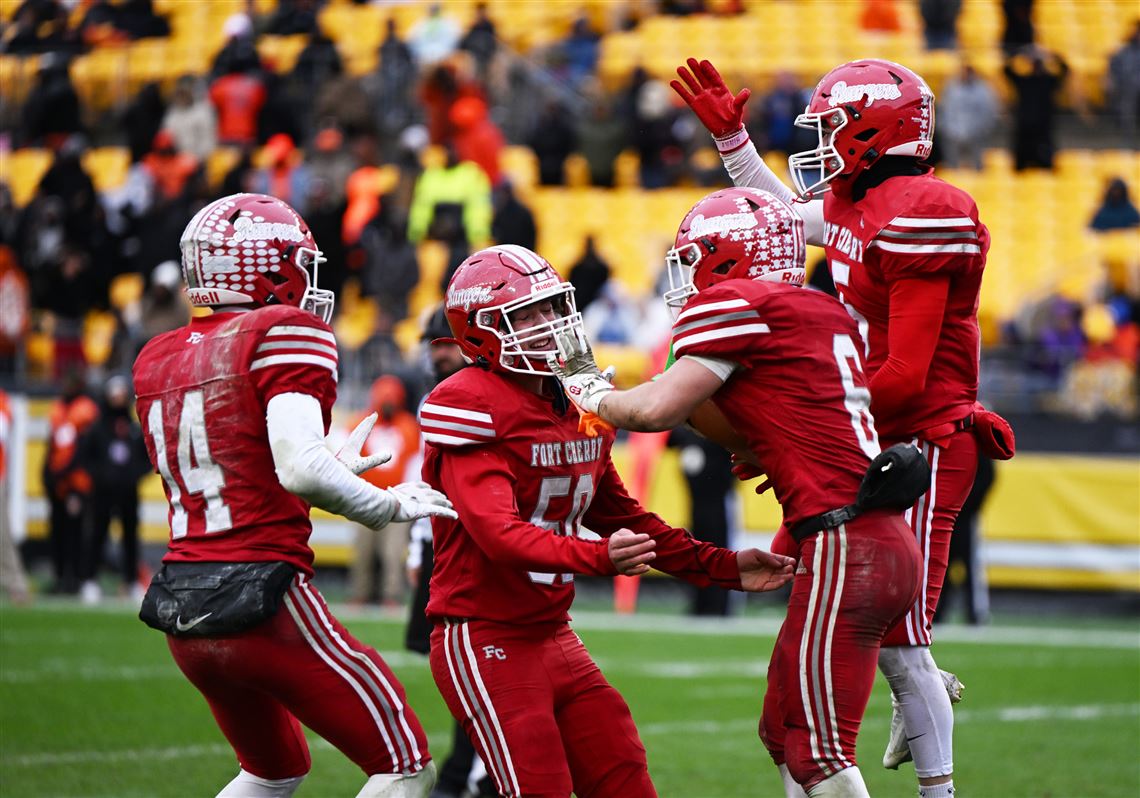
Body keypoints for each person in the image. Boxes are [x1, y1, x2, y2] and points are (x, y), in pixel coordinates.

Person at [670, 57, 1015, 798]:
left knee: (900, 645)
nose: (822, 142)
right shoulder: (865, 208)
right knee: (822, 625)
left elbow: (905, 377)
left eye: (833, 127)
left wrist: (804, 430)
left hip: (920, 442)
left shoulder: (924, 210)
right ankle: (820, 768)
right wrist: (733, 142)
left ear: (873, 132)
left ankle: (937, 790)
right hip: (874, 440)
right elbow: (779, 219)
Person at [548, 188, 925, 797]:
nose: (689, 276)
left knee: (816, 751)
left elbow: (657, 409)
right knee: (779, 731)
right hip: (876, 536)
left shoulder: (737, 303)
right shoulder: (818, 309)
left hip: (845, 539)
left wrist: (587, 388)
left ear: (727, 256)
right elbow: (738, 427)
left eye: (695, 258)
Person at [420, 243, 796, 797]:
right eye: (527, 315)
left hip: (553, 633)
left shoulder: (579, 400)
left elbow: (628, 519)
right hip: (482, 636)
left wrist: (725, 567)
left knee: (625, 776)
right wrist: (599, 557)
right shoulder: (470, 403)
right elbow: (498, 534)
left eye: (552, 308)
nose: (549, 325)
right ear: (481, 331)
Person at [132, 192, 457, 798]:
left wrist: (328, 460)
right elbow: (299, 470)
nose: (307, 283)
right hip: (265, 598)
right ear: (260, 266)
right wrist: (385, 505)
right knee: (405, 765)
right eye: (298, 265)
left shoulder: (158, 354)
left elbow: (239, 462)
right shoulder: (282, 331)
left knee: (271, 771)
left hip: (184, 605)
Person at [404, 305, 494, 798]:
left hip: (485, 545)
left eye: (444, 343)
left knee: (482, 665)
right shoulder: (438, 396)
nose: (436, 353)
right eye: (433, 344)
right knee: (462, 669)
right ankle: (466, 769)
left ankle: (471, 772)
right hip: (447, 540)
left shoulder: (486, 393)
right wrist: (420, 542)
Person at [347, 375, 422, 609]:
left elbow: (413, 463)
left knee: (393, 552)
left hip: (396, 497)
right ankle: (361, 592)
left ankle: (391, 594)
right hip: (364, 497)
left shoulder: (409, 427)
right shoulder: (360, 423)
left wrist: (408, 494)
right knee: (363, 550)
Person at [80, 375, 151, 604]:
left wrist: (134, 476)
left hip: (128, 492)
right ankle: (89, 580)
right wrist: (100, 476)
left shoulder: (133, 428)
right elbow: (86, 458)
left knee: (130, 537)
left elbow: (147, 458)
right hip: (102, 492)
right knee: (98, 534)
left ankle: (130, 581)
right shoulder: (98, 428)